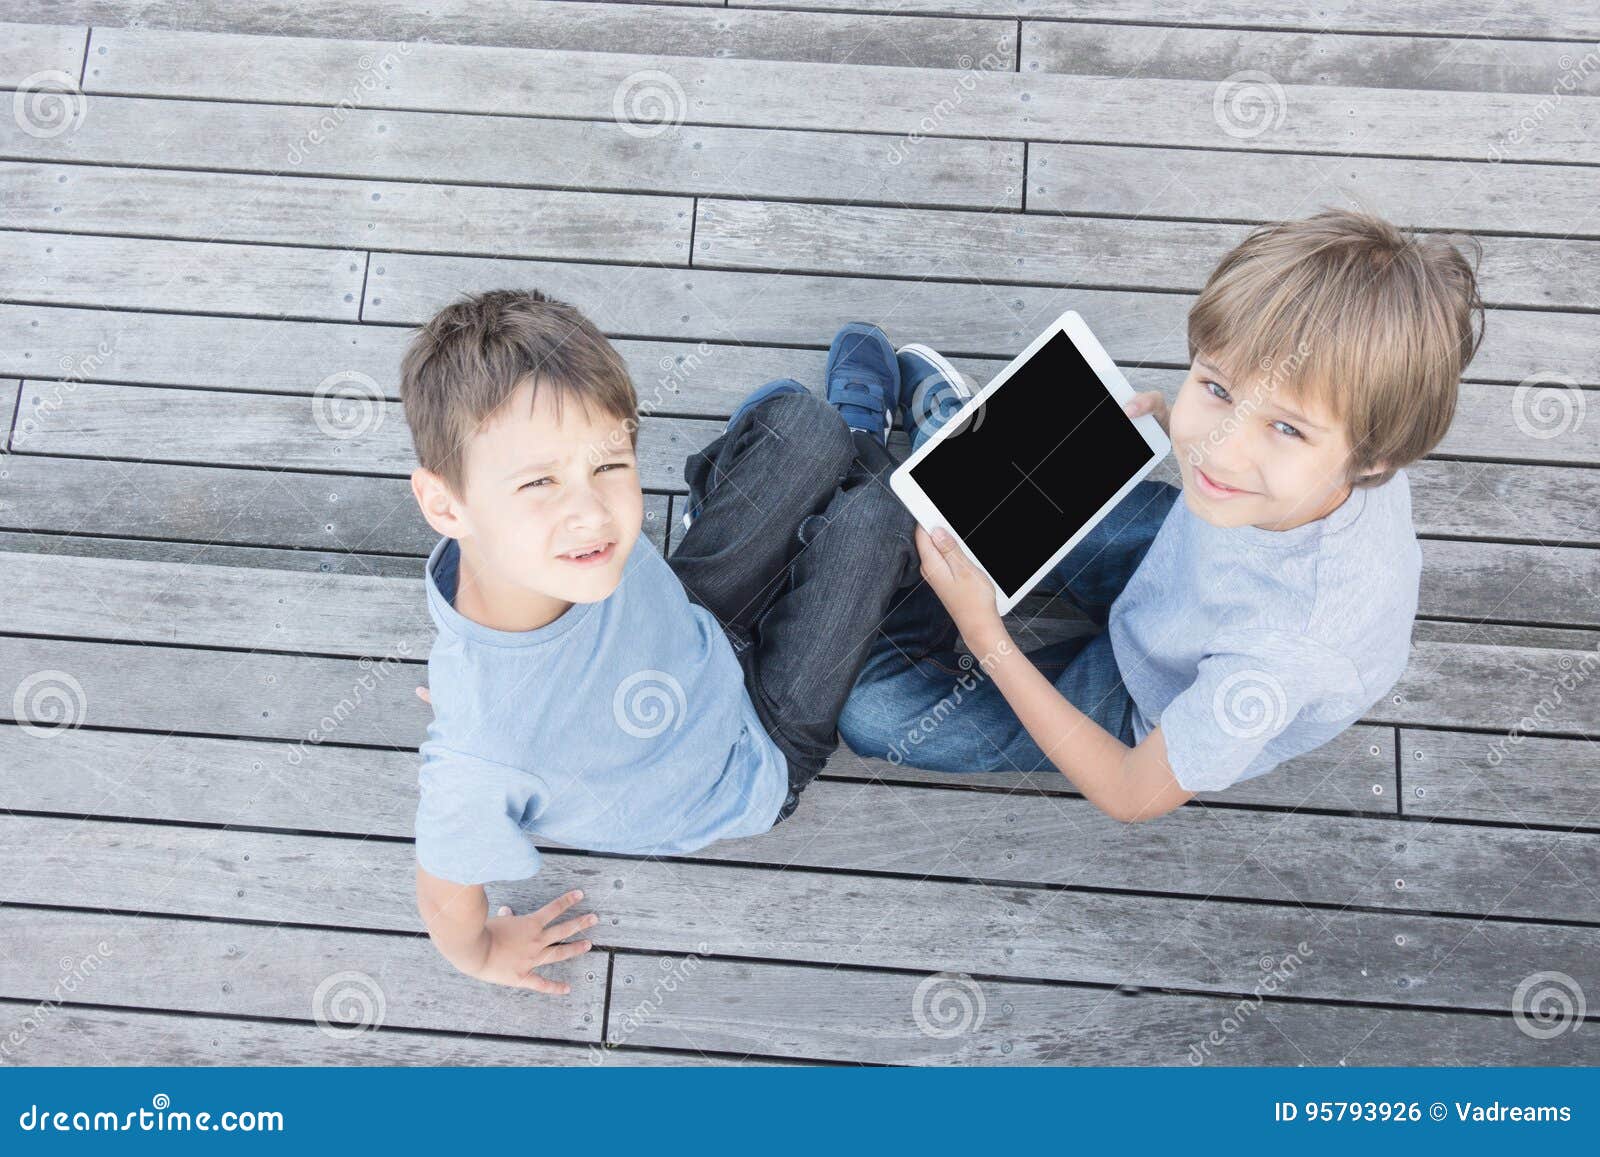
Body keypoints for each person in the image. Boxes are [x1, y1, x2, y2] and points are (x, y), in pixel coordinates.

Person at [838, 209, 1484, 823]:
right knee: (998, 481)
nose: (1221, 448)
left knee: (875, 715)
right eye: (1218, 388)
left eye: (1286, 427)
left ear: (1375, 459)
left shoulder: (1287, 654)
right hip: (1174, 570)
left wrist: (984, 633)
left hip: (1152, 690)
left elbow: (1132, 793)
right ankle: (932, 476)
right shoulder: (1335, 453)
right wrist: (1177, 427)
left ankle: (899, 504)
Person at [400, 290, 917, 990]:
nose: (592, 512)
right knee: (881, 517)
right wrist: (484, 953)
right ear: (444, 504)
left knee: (805, 425)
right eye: (540, 482)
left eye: (609, 464)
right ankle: (873, 477)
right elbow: (442, 890)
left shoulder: (565, 552)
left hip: (691, 621)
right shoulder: (480, 752)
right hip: (748, 754)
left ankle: (847, 465)